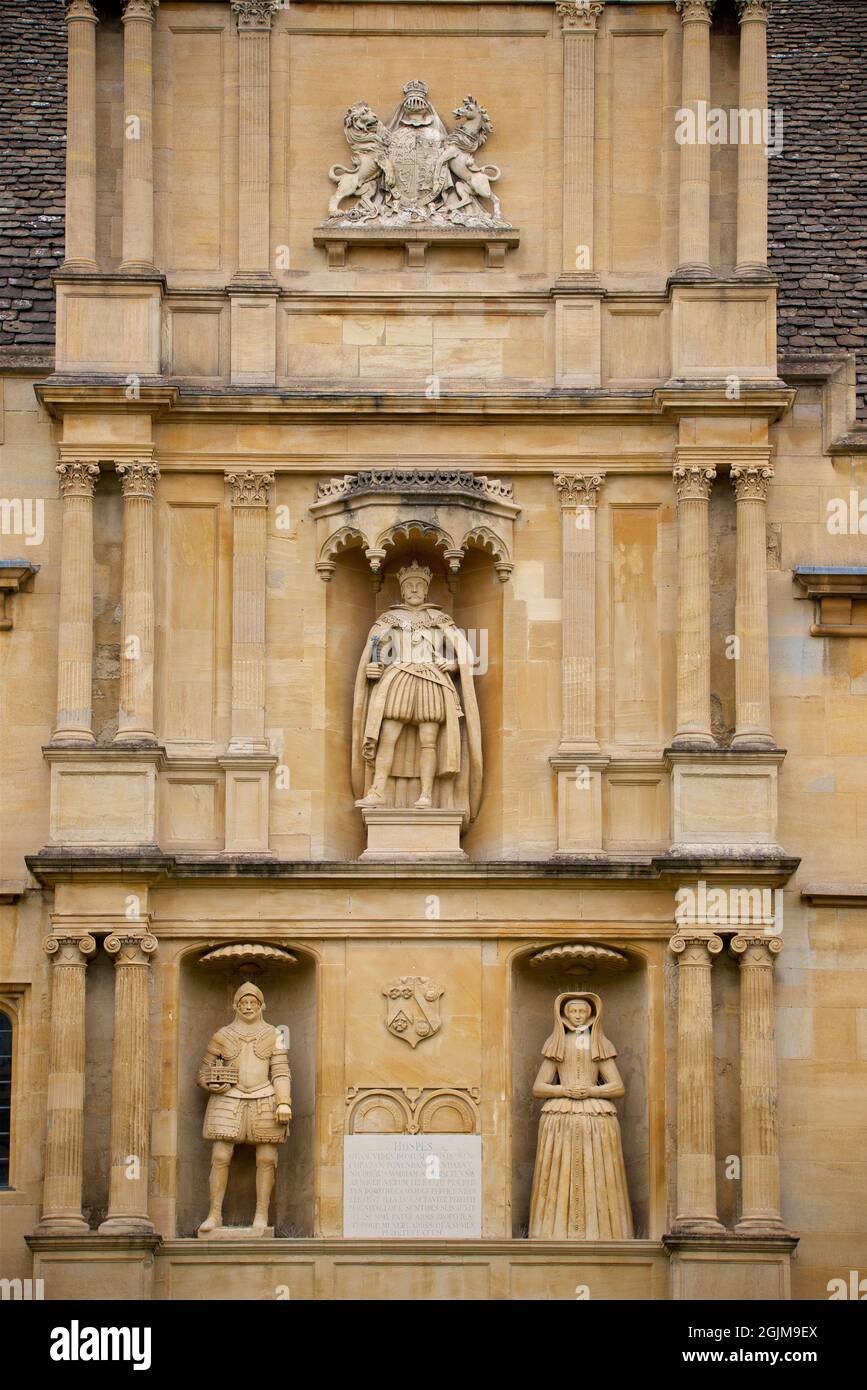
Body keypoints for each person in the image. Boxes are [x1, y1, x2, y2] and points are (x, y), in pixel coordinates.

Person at [528, 991, 633, 1240]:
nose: (577, 1016)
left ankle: (605, 1231)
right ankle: (553, 1232)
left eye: (582, 1012)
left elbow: (618, 1087)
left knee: (596, 1180)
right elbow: (538, 1087)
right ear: (563, 1014)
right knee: (558, 1182)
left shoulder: (600, 1044)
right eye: (573, 1011)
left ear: (591, 1015)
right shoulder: (557, 1043)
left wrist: (591, 1090)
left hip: (595, 1116)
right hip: (561, 1116)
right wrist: (564, 1089)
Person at [197, 982, 291, 1237]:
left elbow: (281, 1071)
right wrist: (212, 1082)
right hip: (229, 1097)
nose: (248, 1007)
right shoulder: (222, 1035)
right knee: (220, 1155)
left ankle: (261, 1214)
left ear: (262, 1005)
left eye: (253, 1002)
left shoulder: (275, 1034)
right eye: (243, 1003)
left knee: (267, 1158)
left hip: (265, 1096)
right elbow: (204, 1072)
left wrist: (284, 1101)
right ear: (235, 1006)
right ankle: (214, 1214)